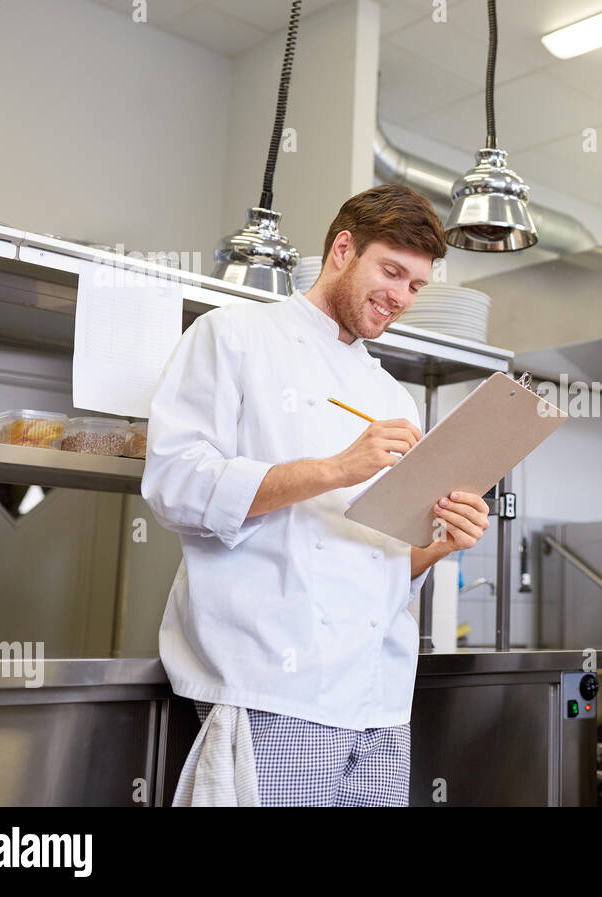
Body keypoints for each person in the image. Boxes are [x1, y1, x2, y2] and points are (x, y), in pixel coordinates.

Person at [142, 185, 492, 806]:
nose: (400, 298)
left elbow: (377, 566)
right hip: (272, 688)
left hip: (379, 701)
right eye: (391, 272)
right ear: (342, 248)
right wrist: (336, 468)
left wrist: (441, 543)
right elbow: (175, 484)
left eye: (415, 286)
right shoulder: (232, 337)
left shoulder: (390, 394)